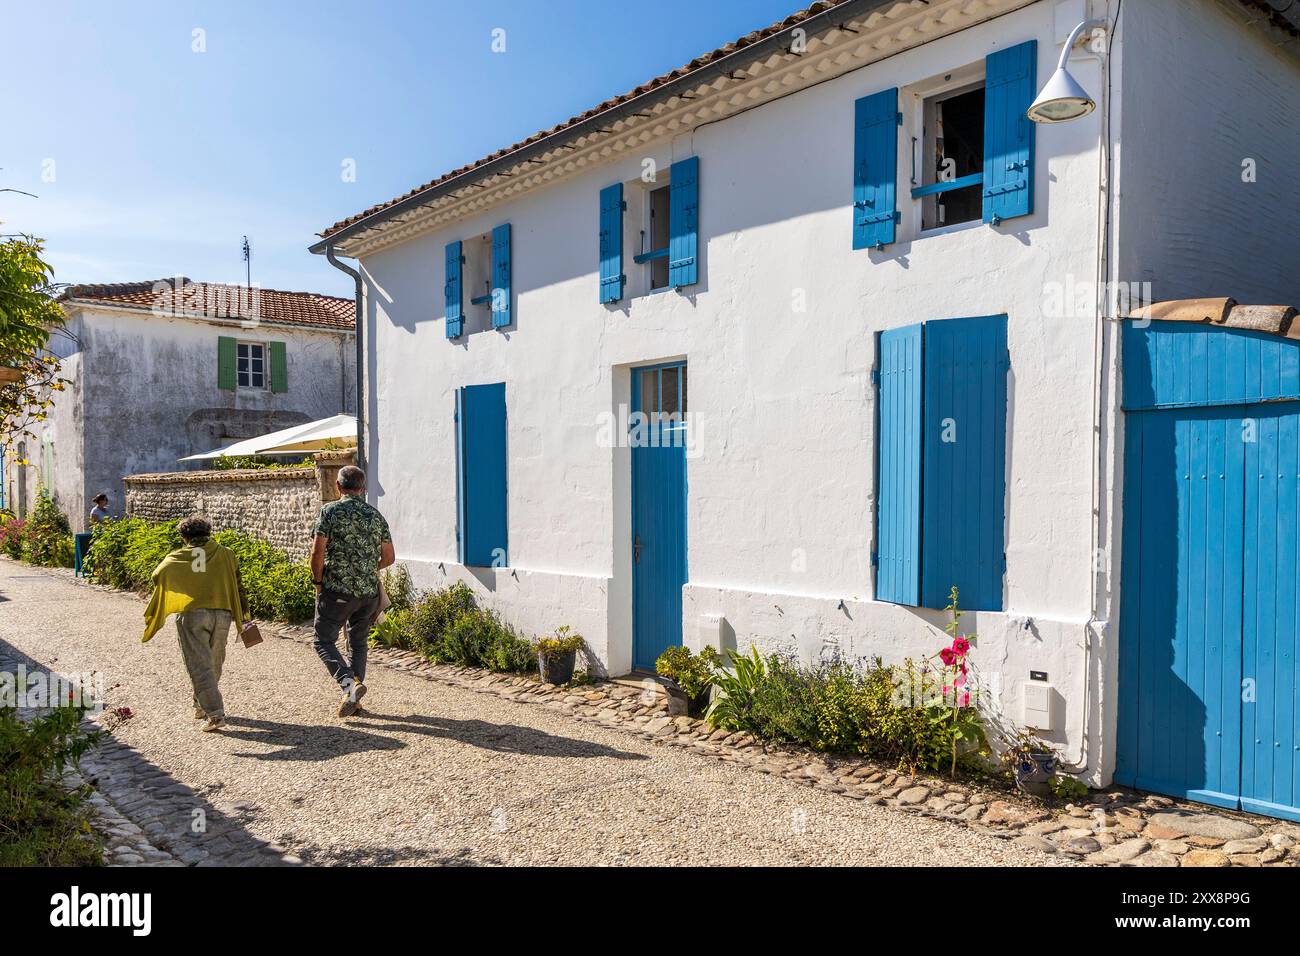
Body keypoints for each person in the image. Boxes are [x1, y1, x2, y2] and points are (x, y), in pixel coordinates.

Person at [143, 515, 250, 732]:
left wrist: (186, 581)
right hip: (223, 612)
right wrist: (246, 615)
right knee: (214, 661)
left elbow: (157, 575)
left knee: (199, 664)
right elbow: (238, 584)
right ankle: (201, 704)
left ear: (184, 537)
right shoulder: (227, 554)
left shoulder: (179, 556)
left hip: (192, 614)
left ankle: (215, 713)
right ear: (208, 532)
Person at [311, 465, 394, 718]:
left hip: (337, 589)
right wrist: (367, 568)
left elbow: (317, 553)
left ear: (338, 486)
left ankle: (350, 684)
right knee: (358, 643)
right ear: (363, 488)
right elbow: (389, 558)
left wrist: (317, 581)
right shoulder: (374, 515)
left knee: (323, 640)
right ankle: (353, 700)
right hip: (368, 592)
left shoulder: (329, 512)